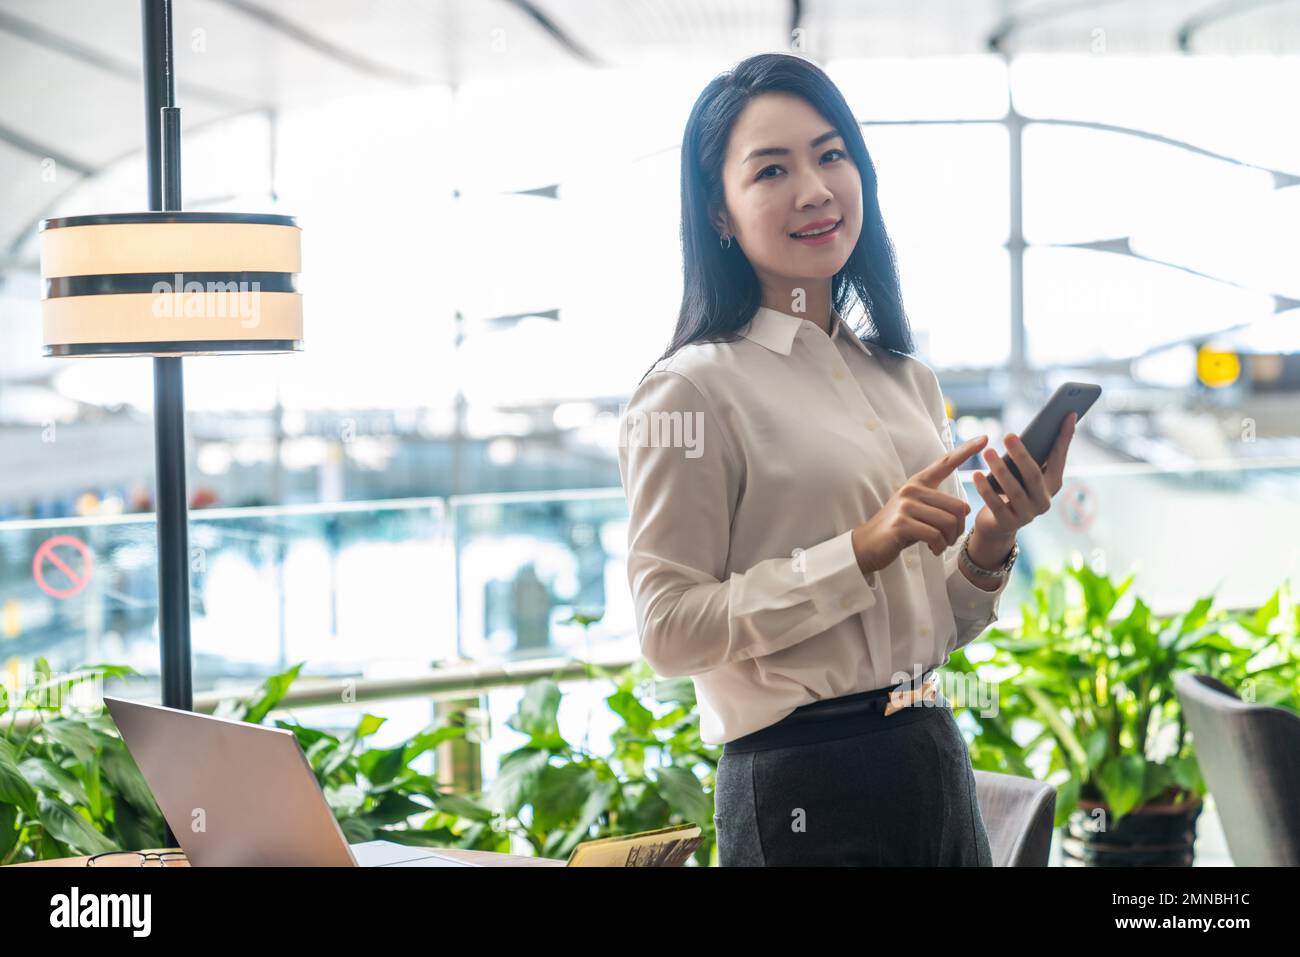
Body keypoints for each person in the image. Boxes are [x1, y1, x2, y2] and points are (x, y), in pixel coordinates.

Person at [616, 52, 1077, 866]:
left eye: (832, 154)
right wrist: (861, 548)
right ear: (719, 213)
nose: (816, 188)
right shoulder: (689, 391)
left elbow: (930, 624)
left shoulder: (903, 377)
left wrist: (992, 540)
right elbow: (668, 631)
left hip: (930, 751)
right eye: (771, 169)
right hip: (802, 786)